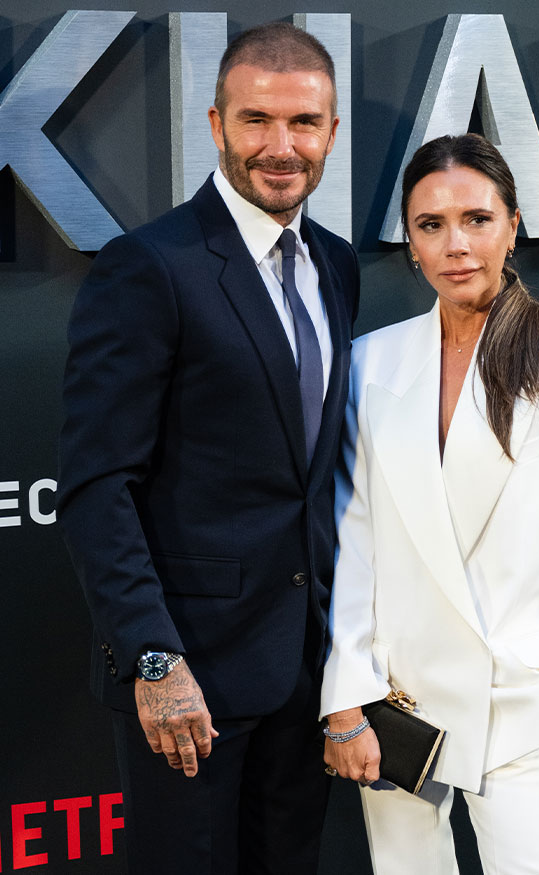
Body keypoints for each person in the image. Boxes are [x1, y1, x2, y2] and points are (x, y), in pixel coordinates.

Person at [57, 21, 359, 875]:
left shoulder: (337, 265)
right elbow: (95, 486)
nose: (281, 147)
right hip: (188, 679)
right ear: (217, 124)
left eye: (303, 123)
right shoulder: (148, 267)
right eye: (256, 120)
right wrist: (154, 659)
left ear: (331, 133)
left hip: (306, 669)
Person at [320, 133, 539, 874]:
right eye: (431, 225)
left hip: (513, 697)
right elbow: (354, 540)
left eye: (476, 218)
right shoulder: (371, 360)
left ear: (513, 224)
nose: (455, 244)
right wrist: (346, 697)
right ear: (409, 243)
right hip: (396, 705)